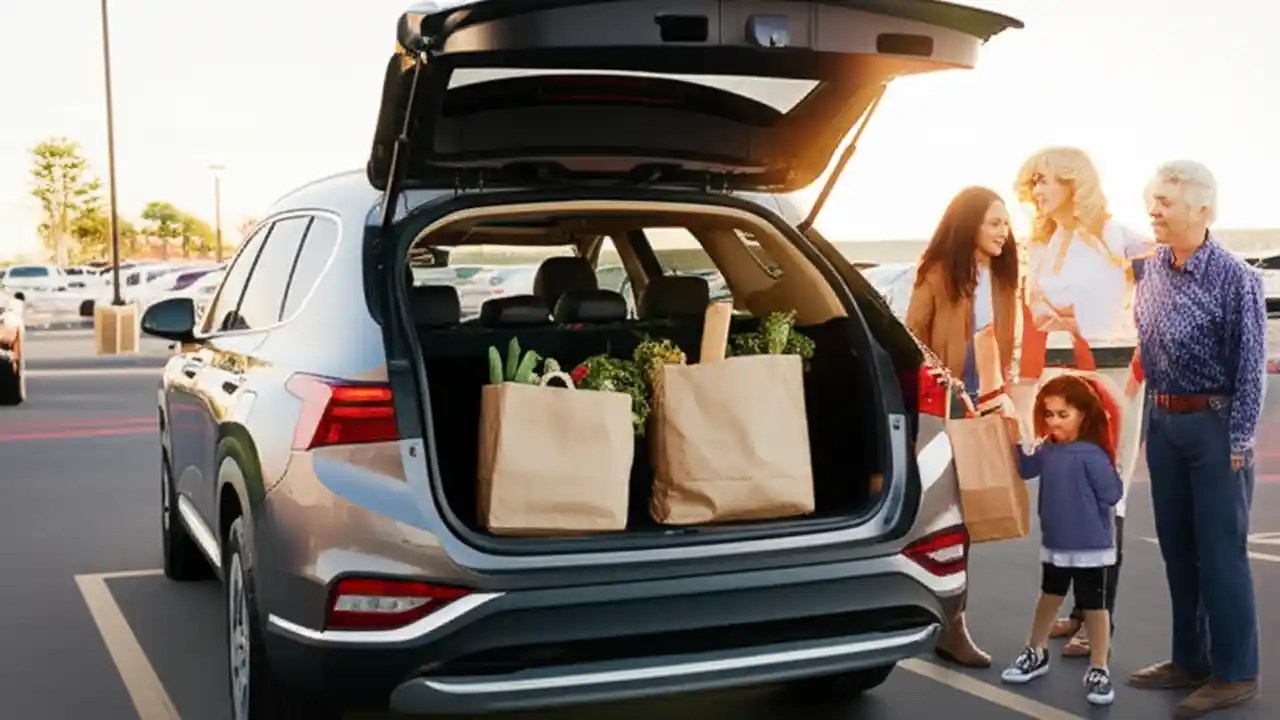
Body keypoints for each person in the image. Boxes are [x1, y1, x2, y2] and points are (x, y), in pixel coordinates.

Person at [1126, 160, 1264, 717]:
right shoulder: (1151, 268)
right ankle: (1190, 660)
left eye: (1165, 202)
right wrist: (1147, 426)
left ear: (1202, 210)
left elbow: (1251, 368)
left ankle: (1235, 672)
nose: (1153, 210)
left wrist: (1238, 443)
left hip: (1215, 427)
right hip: (1164, 426)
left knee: (1221, 554)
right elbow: (1147, 349)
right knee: (1178, 550)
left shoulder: (1237, 278)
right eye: (1152, 200)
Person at [1012, 146, 1154, 657]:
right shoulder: (1049, 242)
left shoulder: (1113, 234)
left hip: (1110, 382)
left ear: (1076, 182)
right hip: (1064, 379)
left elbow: (1163, 275)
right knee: (1069, 497)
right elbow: (1041, 315)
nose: (1038, 192)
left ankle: (1100, 623)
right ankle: (1077, 612)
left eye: (1046, 180)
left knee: (1104, 498)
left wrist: (1144, 349)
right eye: (1032, 184)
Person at [906, 185, 1020, 668]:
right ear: (969, 224)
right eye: (994, 222)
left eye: (1007, 223)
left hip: (987, 410)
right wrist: (944, 384)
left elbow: (1009, 345)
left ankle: (952, 621)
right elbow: (911, 339)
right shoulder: (936, 274)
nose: (1004, 231)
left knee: (973, 518)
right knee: (944, 520)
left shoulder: (1004, 277)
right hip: (943, 413)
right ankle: (947, 622)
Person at [999, 373, 1123, 706]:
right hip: (1056, 541)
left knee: (1095, 607)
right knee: (1049, 596)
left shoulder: (1093, 455)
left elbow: (1112, 495)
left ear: (1083, 414)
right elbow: (1025, 469)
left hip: (1092, 547)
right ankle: (1035, 651)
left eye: (1062, 414)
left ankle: (1099, 666)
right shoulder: (1048, 449)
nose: (1053, 421)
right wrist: (1010, 432)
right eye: (1049, 413)